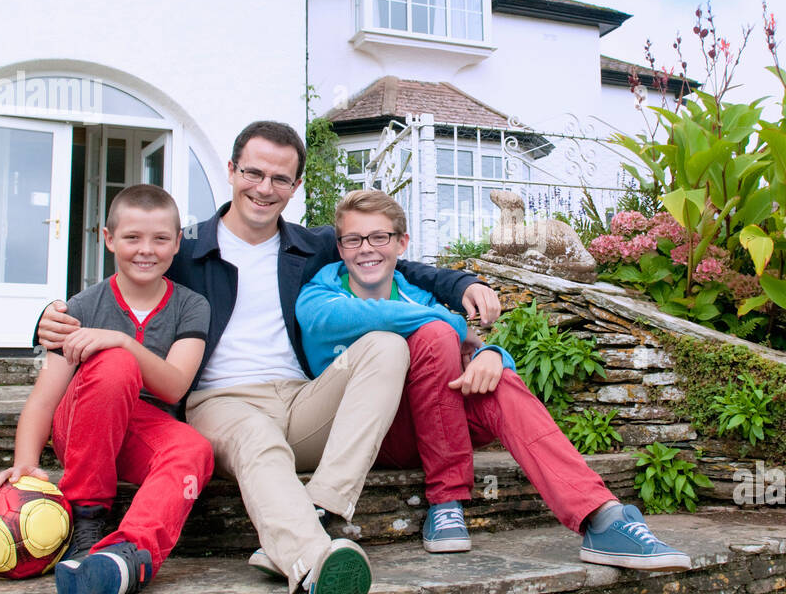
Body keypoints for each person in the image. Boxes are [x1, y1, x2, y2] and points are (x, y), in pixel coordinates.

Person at [36, 121, 499, 594]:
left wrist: (462, 282)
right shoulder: (185, 249)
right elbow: (126, 281)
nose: (264, 187)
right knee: (259, 443)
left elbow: (397, 262)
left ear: (295, 187)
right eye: (253, 172)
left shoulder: (316, 245)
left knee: (386, 344)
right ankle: (320, 566)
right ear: (231, 171)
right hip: (222, 402)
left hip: (303, 396)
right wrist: (49, 319)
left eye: (280, 178)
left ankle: (324, 502)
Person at [295, 189, 693, 571]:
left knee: (497, 381)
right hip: (368, 434)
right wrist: (452, 323)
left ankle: (601, 516)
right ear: (340, 247)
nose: (366, 248)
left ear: (402, 244)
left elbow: (471, 349)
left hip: (432, 421)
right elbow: (346, 320)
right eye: (353, 240)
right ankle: (447, 499)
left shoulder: (419, 295)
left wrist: (491, 355)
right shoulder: (321, 290)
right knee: (435, 334)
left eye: (379, 236)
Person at [0, 184, 215, 594]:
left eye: (161, 239)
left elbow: (175, 386)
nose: (146, 250)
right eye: (132, 238)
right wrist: (25, 464)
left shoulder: (191, 305)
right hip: (82, 424)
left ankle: (127, 555)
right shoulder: (81, 307)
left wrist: (122, 342)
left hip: (142, 430)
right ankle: (87, 517)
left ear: (178, 242)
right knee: (112, 364)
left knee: (195, 448)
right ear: (108, 239)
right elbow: (43, 398)